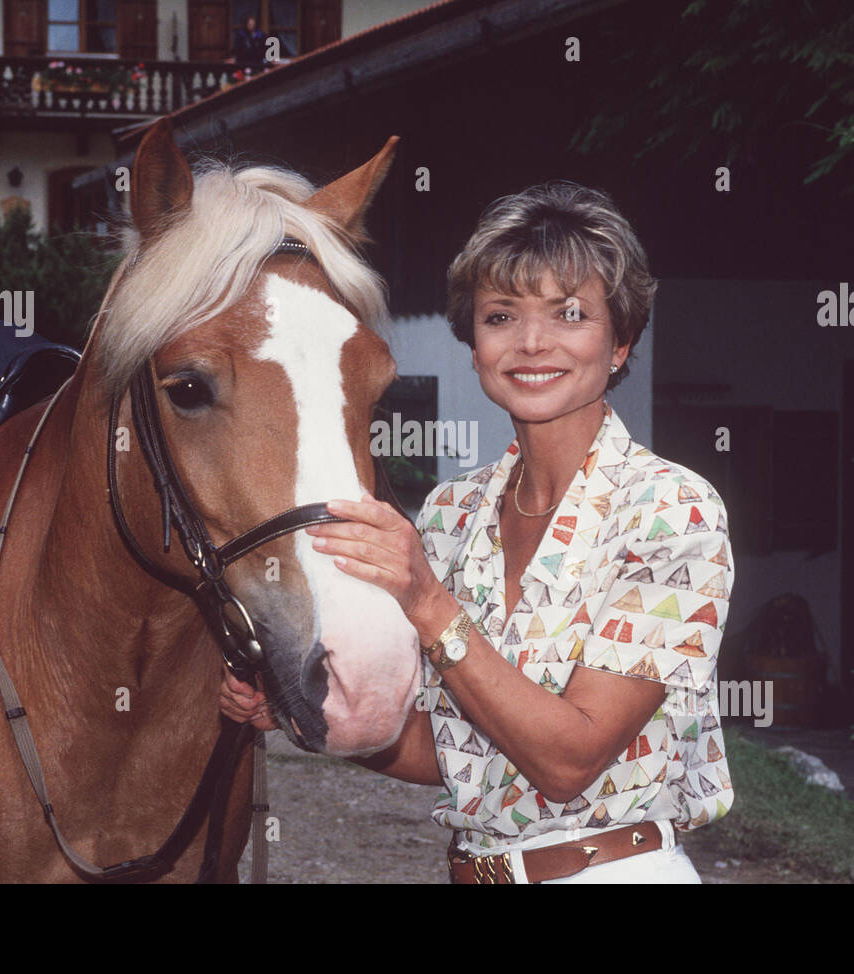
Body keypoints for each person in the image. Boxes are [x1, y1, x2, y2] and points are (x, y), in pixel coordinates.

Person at [221, 180, 735, 883]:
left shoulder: (673, 511)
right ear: (473, 344)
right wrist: (300, 716)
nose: (531, 342)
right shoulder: (450, 514)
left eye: (570, 313)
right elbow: (450, 754)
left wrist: (429, 601)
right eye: (500, 315)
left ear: (620, 342)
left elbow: (568, 761)